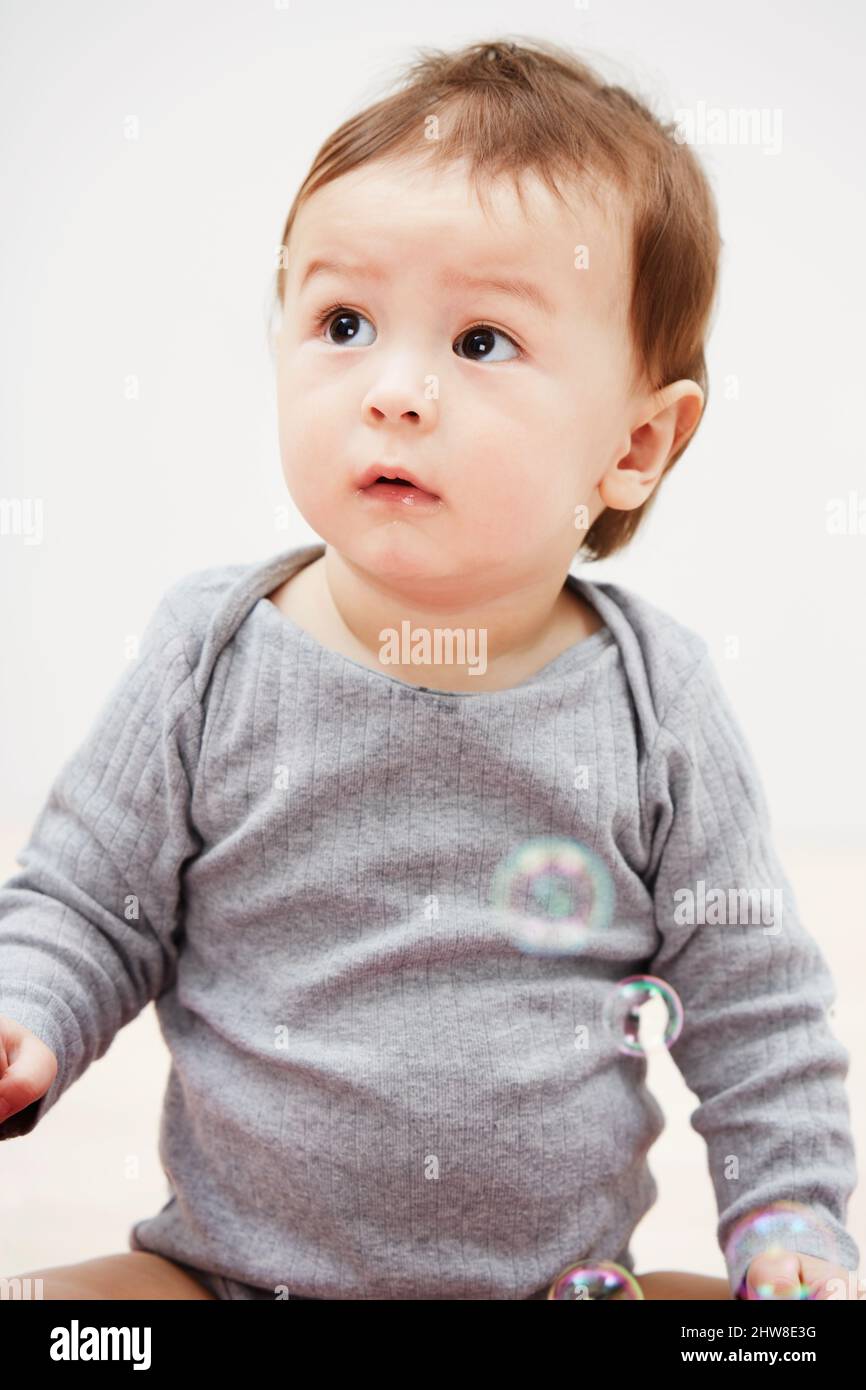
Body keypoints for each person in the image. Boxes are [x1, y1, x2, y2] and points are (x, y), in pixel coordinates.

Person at [0, 37, 859, 1302]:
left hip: (557, 1288)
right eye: (343, 322)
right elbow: (85, 903)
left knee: (761, 1337)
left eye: (482, 341)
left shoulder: (649, 699)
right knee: (61, 1324)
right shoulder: (212, 656)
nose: (394, 390)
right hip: (231, 1281)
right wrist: (27, 1018)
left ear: (633, 444)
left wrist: (788, 1219)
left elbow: (754, 1005)